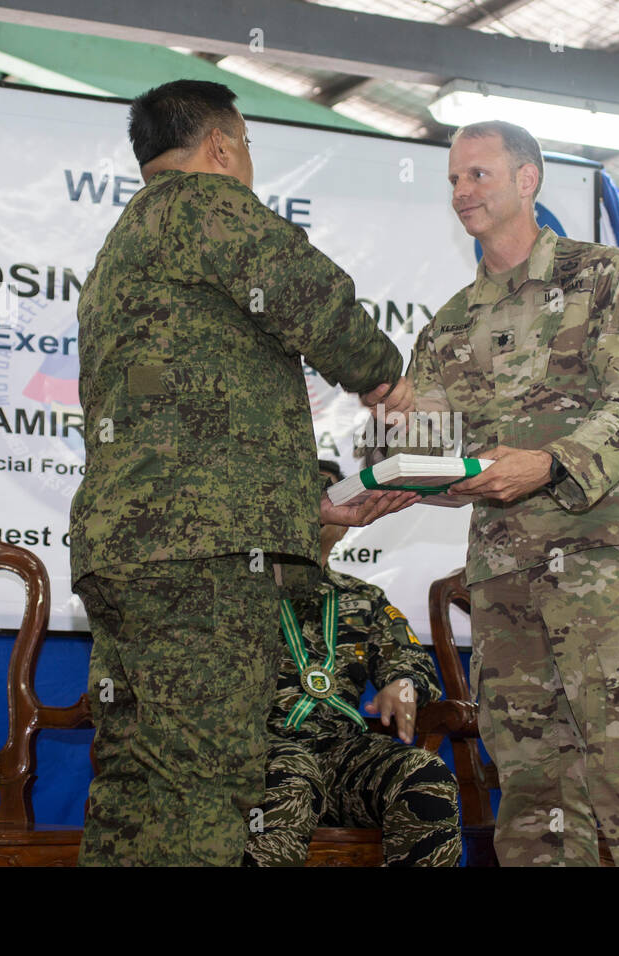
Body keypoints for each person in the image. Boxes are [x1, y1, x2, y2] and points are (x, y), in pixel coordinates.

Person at [70, 80, 417, 866]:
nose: (248, 161)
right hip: (203, 558)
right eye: (249, 145)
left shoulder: (121, 250)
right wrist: (385, 382)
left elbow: (180, 409)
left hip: (130, 549)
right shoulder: (204, 204)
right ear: (221, 145)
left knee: (135, 783)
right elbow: (308, 291)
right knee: (207, 784)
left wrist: (302, 507)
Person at [367, 120, 619, 866]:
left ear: (528, 180)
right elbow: (438, 465)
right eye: (454, 179)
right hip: (503, 581)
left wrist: (548, 463)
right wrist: (401, 435)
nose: (461, 192)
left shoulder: (604, 276)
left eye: (477, 176)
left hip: (599, 562)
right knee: (532, 790)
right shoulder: (449, 325)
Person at [243, 461, 462, 867]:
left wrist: (404, 683)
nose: (316, 505)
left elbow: (409, 659)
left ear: (345, 520)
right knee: (290, 778)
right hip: (260, 756)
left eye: (327, 494)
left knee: (423, 774)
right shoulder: (236, 593)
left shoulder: (363, 598)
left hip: (344, 761)